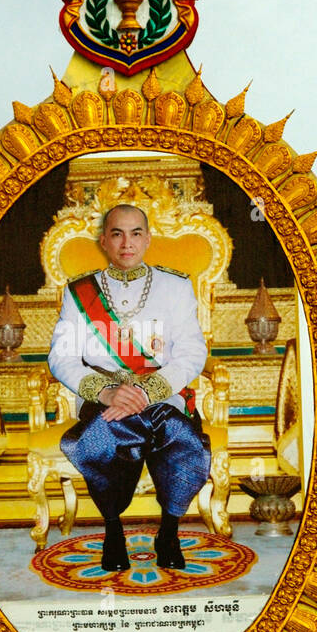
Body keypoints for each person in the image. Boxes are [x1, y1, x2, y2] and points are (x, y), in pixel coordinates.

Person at [47, 204, 211, 572]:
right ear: (103, 240)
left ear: (148, 238)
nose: (127, 242)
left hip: (163, 394)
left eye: (136, 233)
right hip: (103, 396)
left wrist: (148, 391)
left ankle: (169, 530)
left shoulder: (176, 286)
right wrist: (106, 392)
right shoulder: (79, 293)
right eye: (117, 233)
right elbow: (62, 358)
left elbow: (191, 352)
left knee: (178, 435)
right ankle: (112, 530)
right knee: (105, 434)